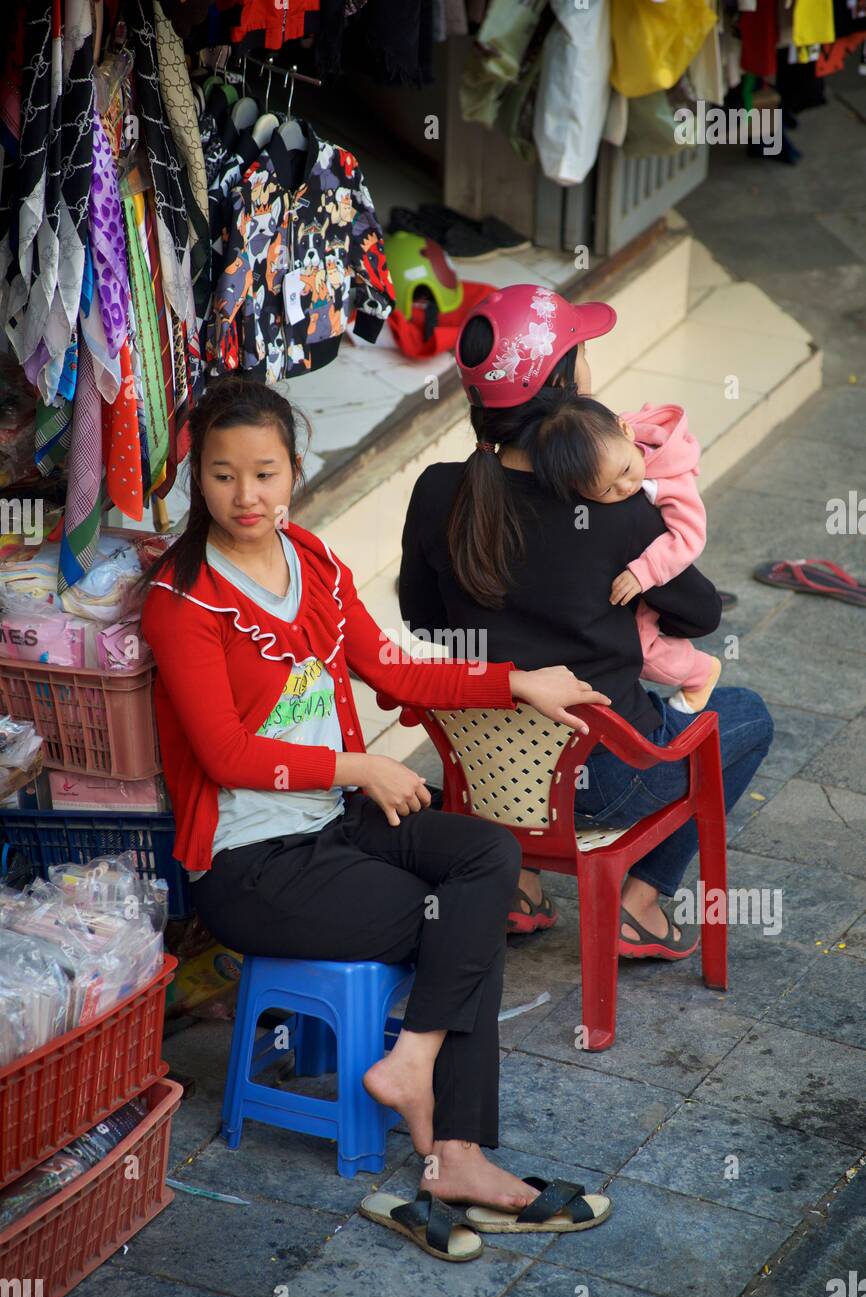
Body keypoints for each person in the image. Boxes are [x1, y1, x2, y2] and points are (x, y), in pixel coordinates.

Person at [137, 373, 613, 1237]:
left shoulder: (310, 561)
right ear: (194, 477)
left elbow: (393, 669)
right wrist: (357, 766)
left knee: (487, 859)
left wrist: (515, 679)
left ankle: (417, 1065)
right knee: (455, 921)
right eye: (222, 475)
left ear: (293, 470)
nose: (246, 495)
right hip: (253, 865)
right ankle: (454, 1153)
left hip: (333, 825)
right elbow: (227, 755)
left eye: (265, 472)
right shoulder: (182, 603)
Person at [399, 283, 773, 952]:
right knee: (745, 715)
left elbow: (424, 621)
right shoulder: (613, 504)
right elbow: (701, 613)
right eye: (580, 352)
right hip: (599, 785)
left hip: (485, 774)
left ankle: (517, 882)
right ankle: (640, 906)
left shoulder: (437, 491)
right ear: (565, 382)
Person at [563, 395, 722, 715]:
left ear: (625, 428)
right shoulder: (607, 446)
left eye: (625, 471)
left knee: (641, 650)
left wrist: (643, 572)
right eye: (607, 490)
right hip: (634, 569)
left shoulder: (671, 477)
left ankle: (699, 672)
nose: (624, 487)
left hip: (660, 567)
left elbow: (690, 536)